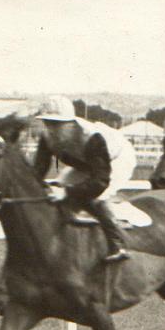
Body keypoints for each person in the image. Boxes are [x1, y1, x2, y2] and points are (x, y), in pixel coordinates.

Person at [33, 94, 137, 263]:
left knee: (96, 198)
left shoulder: (91, 138)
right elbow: (38, 170)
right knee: (59, 188)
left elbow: (100, 181)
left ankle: (118, 244)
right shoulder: (46, 137)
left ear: (70, 123)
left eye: (57, 124)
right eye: (47, 123)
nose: (51, 129)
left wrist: (67, 192)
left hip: (117, 159)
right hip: (85, 163)